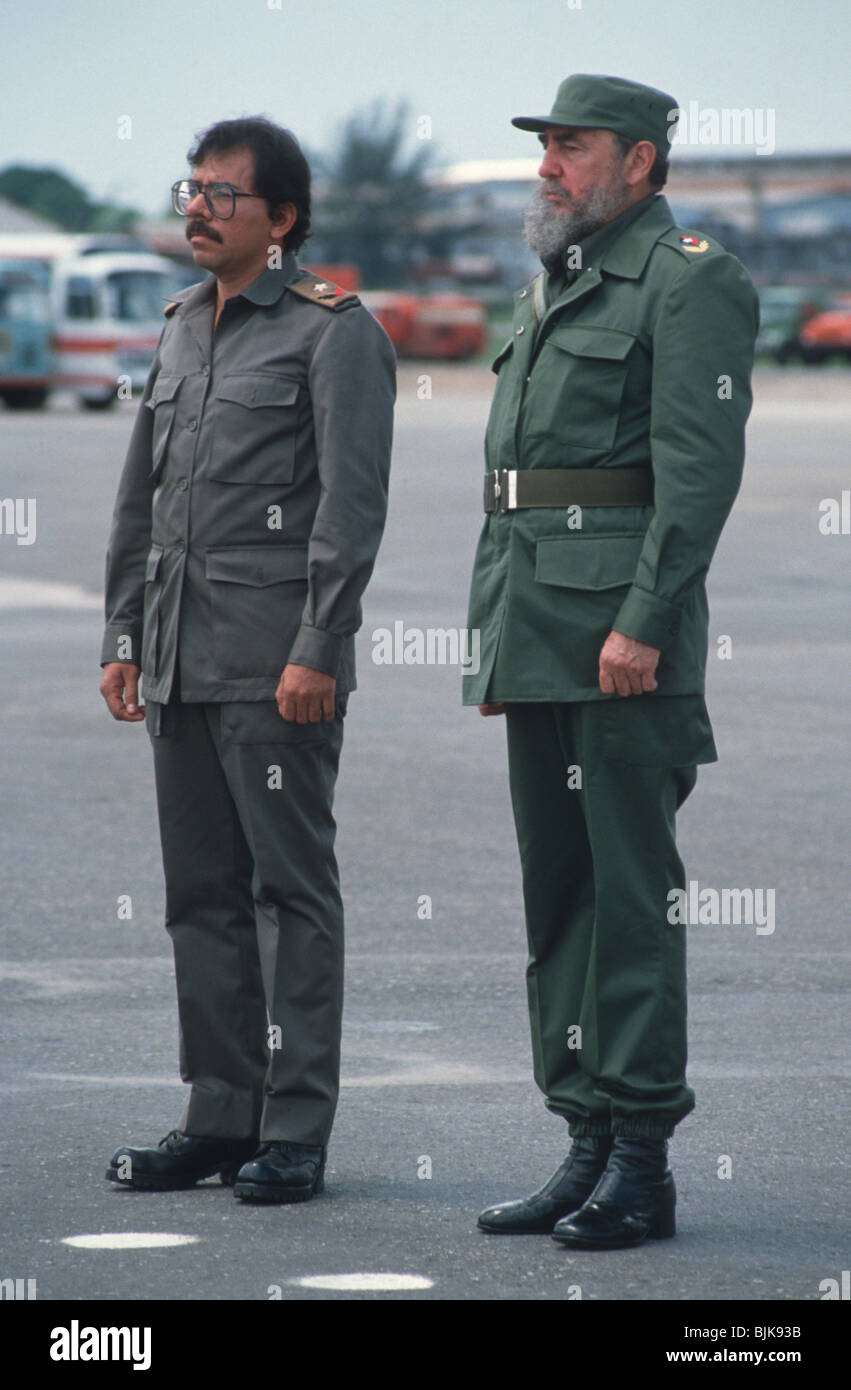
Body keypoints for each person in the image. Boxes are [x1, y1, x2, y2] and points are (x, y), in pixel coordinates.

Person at [464, 75, 758, 1248]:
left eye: (568, 148)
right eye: (543, 148)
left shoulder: (687, 280)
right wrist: (495, 636)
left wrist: (641, 620)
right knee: (562, 897)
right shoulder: (563, 278)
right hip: (537, 628)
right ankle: (581, 1138)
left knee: (629, 898)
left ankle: (640, 1155)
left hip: (619, 638)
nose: (546, 167)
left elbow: (695, 474)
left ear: (638, 162)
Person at [99, 116, 395, 1203]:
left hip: (278, 666)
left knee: (290, 894)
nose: (199, 207)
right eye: (193, 188)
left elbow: (350, 514)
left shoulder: (334, 333)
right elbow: (141, 500)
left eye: (224, 194)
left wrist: (319, 646)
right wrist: (123, 635)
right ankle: (220, 1115)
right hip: (177, 654)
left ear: (281, 220)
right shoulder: (179, 327)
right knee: (200, 897)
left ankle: (295, 1131)